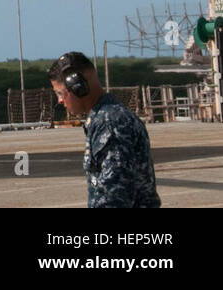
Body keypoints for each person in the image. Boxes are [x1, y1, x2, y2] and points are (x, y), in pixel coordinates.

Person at [48, 51, 160, 208]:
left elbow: (113, 197)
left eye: (60, 93)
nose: (59, 100)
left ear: (78, 87)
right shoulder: (105, 118)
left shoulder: (110, 123)